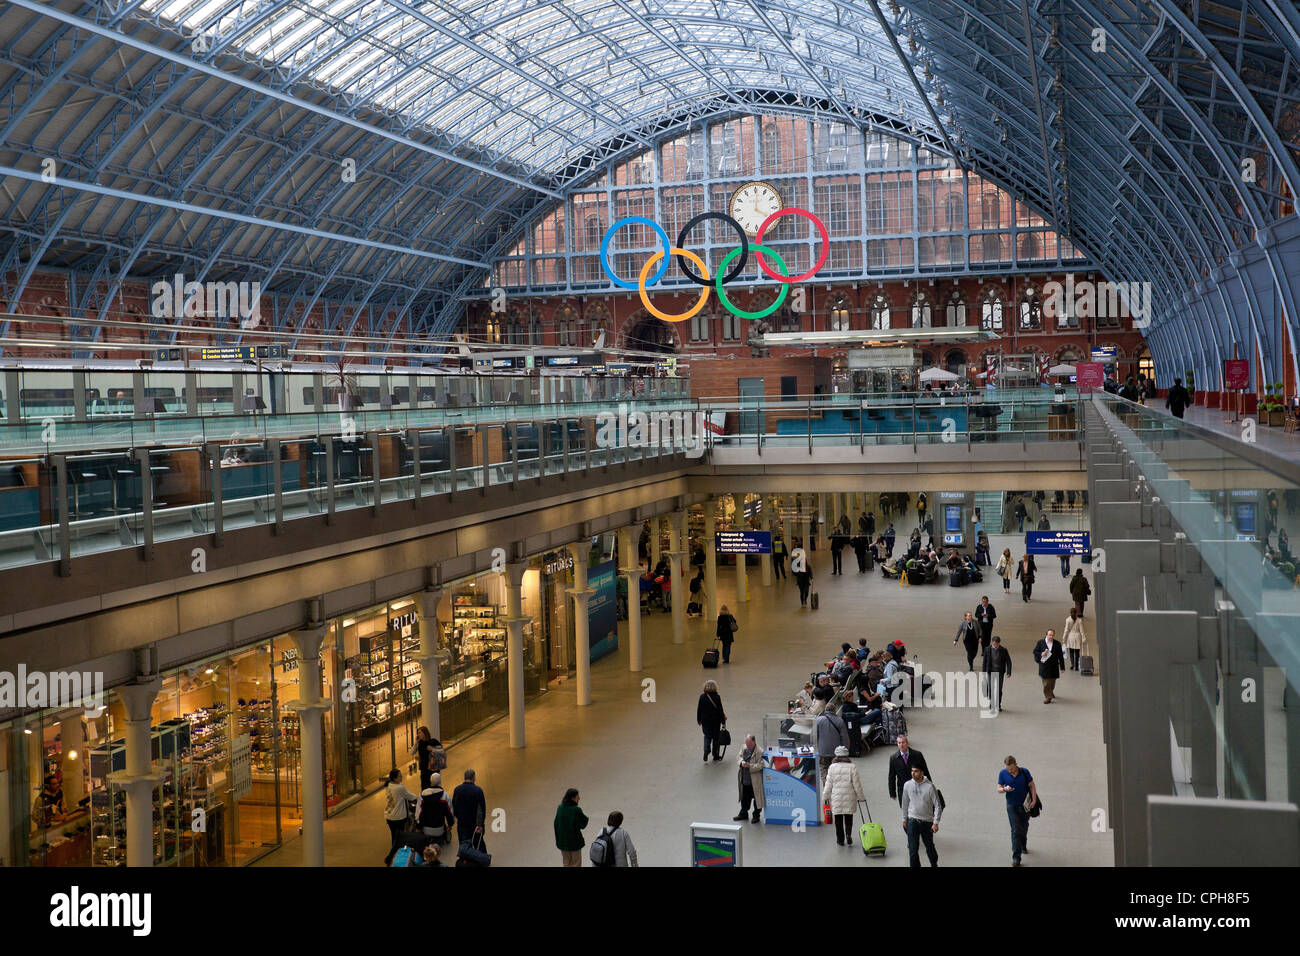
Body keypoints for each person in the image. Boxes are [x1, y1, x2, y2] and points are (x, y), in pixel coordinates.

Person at [998, 755, 1038, 866]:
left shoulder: (1024, 772)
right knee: (1015, 830)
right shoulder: (1003, 773)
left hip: (1025, 805)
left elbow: (1032, 785)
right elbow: (999, 788)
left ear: (1016, 764)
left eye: (1011, 768)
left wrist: (1034, 800)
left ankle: (1023, 844)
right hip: (1011, 806)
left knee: (1024, 827)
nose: (1009, 771)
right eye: (1007, 769)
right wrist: (1004, 789)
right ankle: (1016, 857)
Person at [822, 746, 866, 846]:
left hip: (837, 798)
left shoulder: (832, 767)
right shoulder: (852, 767)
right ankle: (848, 834)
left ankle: (840, 839)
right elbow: (857, 784)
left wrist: (825, 796)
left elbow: (828, 784)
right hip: (849, 798)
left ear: (836, 755)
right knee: (848, 817)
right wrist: (861, 797)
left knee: (838, 820)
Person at [900, 765, 942, 867]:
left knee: (929, 847)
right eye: (912, 771)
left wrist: (935, 823)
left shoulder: (930, 787)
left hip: (927, 822)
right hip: (912, 820)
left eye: (916, 771)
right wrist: (904, 819)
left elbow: (938, 806)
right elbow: (905, 803)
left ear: (922, 772)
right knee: (913, 851)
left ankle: (934, 863)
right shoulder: (907, 785)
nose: (913, 773)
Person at [382, 768, 418, 866]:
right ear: (394, 778)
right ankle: (392, 857)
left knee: (394, 836)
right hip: (398, 817)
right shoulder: (399, 788)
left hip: (389, 816)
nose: (401, 777)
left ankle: (394, 854)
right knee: (400, 838)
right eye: (399, 776)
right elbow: (410, 796)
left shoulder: (389, 785)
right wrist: (419, 797)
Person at [887, 735, 930, 808]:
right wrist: (892, 793)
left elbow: (925, 770)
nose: (901, 745)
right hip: (903, 789)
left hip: (917, 787)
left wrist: (929, 785)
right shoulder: (893, 758)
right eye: (899, 743)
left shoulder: (917, 755)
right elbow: (891, 776)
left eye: (903, 742)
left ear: (907, 743)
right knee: (905, 810)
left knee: (918, 809)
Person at [815, 701, 849, 789]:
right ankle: (835, 788)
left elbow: (814, 735)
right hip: (836, 753)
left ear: (825, 710)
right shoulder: (840, 721)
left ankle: (826, 787)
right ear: (835, 710)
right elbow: (845, 738)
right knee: (836, 771)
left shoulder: (819, 720)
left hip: (823, 751)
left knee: (823, 768)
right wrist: (846, 751)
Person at [452, 768, 487, 852]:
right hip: (474, 825)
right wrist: (480, 824)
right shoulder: (478, 791)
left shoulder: (457, 790)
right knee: (478, 844)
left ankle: (466, 861)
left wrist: (459, 817)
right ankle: (482, 860)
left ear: (465, 777)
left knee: (464, 845)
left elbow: (454, 806)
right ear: (474, 778)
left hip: (462, 823)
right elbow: (481, 810)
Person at [553, 788, 589, 866]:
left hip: (563, 842)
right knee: (576, 863)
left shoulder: (560, 808)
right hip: (574, 843)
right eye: (577, 796)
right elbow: (584, 823)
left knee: (566, 863)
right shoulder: (576, 810)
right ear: (572, 798)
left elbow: (556, 823)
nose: (579, 798)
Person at [415, 773, 455, 844]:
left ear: (430, 782)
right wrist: (450, 825)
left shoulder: (422, 795)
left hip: (426, 830)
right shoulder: (445, 796)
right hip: (439, 830)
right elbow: (450, 813)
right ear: (440, 782)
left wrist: (418, 827)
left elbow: (418, 813)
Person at [735, 734, 765, 823]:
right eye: (747, 745)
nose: (748, 747)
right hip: (744, 779)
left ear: (754, 742)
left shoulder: (760, 751)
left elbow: (761, 765)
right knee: (744, 798)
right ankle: (743, 814)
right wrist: (741, 762)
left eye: (750, 745)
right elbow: (738, 757)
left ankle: (756, 816)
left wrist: (750, 766)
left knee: (757, 799)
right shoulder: (744, 747)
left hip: (754, 781)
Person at [697, 680, 727, 762]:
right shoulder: (717, 697)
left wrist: (699, 720)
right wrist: (723, 722)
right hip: (715, 721)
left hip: (705, 721)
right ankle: (715, 755)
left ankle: (706, 750)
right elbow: (720, 710)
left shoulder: (702, 697)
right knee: (716, 738)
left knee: (707, 736)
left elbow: (699, 709)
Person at [1033, 627, 1066, 703]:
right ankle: (1048, 697)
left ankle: (1050, 691)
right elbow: (1035, 651)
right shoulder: (1040, 642)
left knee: (1052, 682)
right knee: (1046, 683)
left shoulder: (1057, 644)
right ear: (1046, 635)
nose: (1051, 637)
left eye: (1052, 635)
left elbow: (1060, 656)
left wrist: (1062, 667)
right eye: (1049, 635)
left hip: (1054, 666)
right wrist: (1041, 653)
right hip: (1044, 666)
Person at [982, 635, 1012, 711]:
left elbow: (1008, 661)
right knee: (991, 689)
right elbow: (984, 661)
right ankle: (991, 704)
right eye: (993, 643)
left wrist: (1008, 672)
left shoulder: (1003, 650)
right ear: (992, 642)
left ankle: (998, 705)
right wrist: (983, 672)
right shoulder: (987, 649)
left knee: (999, 690)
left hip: (1000, 672)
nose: (995, 645)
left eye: (996, 644)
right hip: (991, 671)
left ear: (999, 643)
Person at [1062, 606, 1087, 671]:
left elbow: (1066, 630)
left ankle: (1072, 665)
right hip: (1078, 636)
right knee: (1077, 652)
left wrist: (1064, 638)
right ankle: (1076, 666)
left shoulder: (1068, 620)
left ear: (1070, 613)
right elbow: (1082, 630)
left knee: (1071, 652)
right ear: (1076, 613)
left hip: (1071, 637)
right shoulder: (1079, 620)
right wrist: (1083, 638)